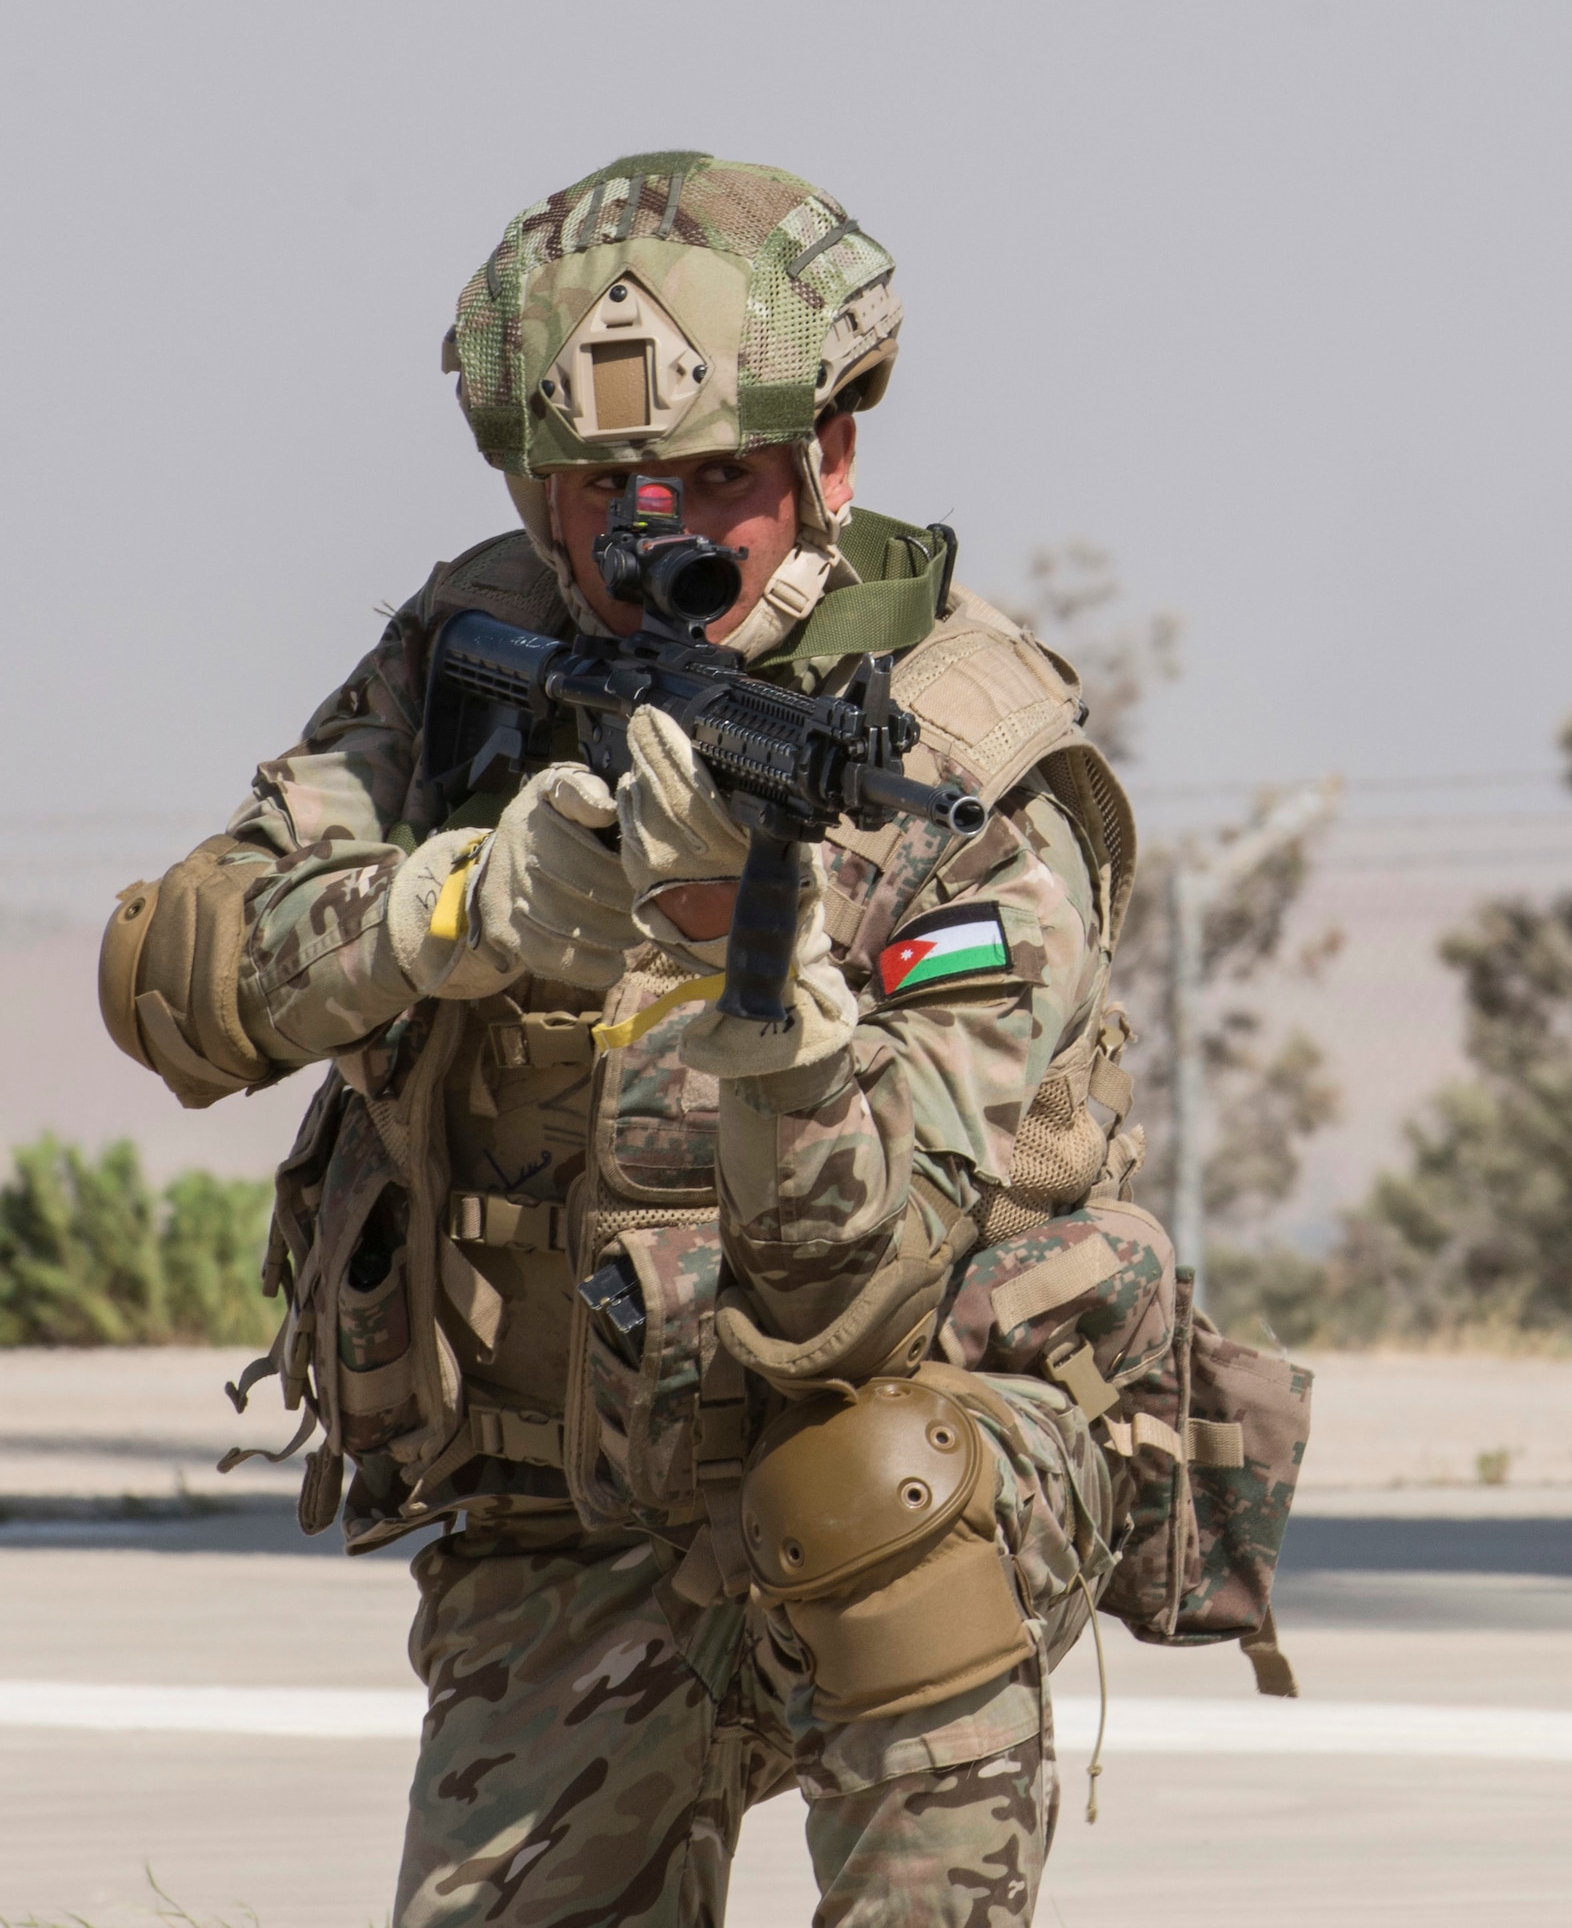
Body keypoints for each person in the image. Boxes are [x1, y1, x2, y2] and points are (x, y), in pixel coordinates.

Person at [98, 153, 1216, 1922]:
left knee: (886, 1496)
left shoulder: (962, 768)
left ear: (829, 460)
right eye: (604, 490)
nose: (653, 540)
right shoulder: (470, 652)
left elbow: (871, 1267)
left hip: (885, 1478)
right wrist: (448, 910)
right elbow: (169, 975)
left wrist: (754, 992)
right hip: (572, 1518)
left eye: (717, 481)